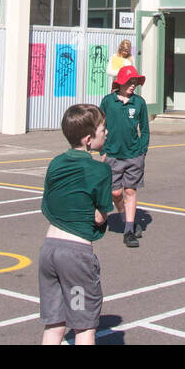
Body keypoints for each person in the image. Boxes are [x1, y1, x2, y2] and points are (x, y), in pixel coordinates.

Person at [39, 103, 113, 345]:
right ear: (88, 139)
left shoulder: (56, 163)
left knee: (54, 323)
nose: (107, 132)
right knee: (84, 327)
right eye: (103, 129)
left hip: (49, 249)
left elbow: (48, 206)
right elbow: (100, 216)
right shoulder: (99, 170)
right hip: (76, 253)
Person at [100, 64, 151, 248]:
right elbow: (100, 127)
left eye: (135, 82)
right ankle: (125, 218)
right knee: (115, 192)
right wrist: (103, 151)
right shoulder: (108, 102)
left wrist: (142, 150)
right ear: (120, 83)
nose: (133, 85)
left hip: (133, 155)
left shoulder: (139, 103)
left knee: (130, 191)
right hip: (112, 154)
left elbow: (144, 130)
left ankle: (128, 231)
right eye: (130, 81)